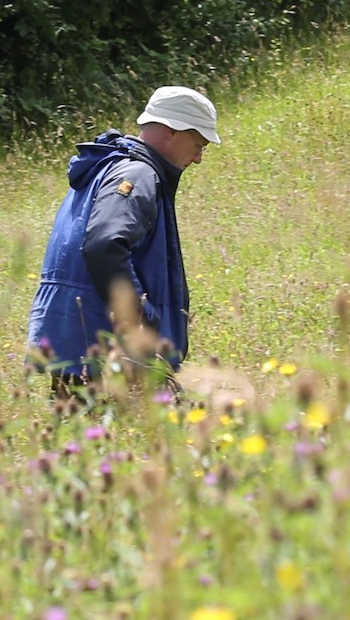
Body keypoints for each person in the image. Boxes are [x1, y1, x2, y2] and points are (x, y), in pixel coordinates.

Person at [25, 86, 220, 393]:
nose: (197, 158)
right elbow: (104, 246)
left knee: (84, 437)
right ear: (171, 131)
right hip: (106, 354)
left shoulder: (107, 167)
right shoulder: (138, 174)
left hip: (80, 346)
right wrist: (142, 320)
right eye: (198, 145)